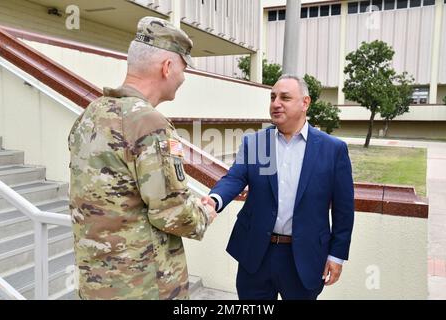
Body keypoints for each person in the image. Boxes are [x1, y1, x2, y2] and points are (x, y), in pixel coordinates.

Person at [68, 16, 216, 300]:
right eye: (184, 68)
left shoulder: (90, 114)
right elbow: (172, 214)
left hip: (96, 284)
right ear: (167, 67)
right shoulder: (150, 124)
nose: (184, 78)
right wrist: (204, 214)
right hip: (143, 286)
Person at [204, 75, 354, 300]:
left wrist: (337, 256)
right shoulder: (255, 143)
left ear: (305, 103)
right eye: (273, 97)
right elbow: (235, 178)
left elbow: (343, 210)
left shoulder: (333, 150)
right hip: (256, 254)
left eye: (285, 97)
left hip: (304, 258)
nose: (276, 103)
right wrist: (214, 200)